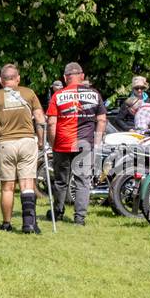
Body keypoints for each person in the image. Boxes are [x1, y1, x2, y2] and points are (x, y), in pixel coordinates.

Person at [0, 64, 46, 234]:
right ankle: (28, 223)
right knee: (27, 182)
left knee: (7, 187)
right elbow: (40, 118)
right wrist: (41, 140)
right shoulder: (29, 93)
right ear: (18, 78)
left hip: (5, 143)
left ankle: (6, 224)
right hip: (27, 141)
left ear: (1, 80)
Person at [45, 61, 106, 226]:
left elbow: (51, 123)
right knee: (82, 181)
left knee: (60, 181)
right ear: (82, 76)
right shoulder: (95, 94)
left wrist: (52, 142)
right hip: (86, 145)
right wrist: (97, 143)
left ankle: (57, 212)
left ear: (65, 78)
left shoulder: (57, 95)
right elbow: (101, 119)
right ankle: (79, 218)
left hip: (62, 144)